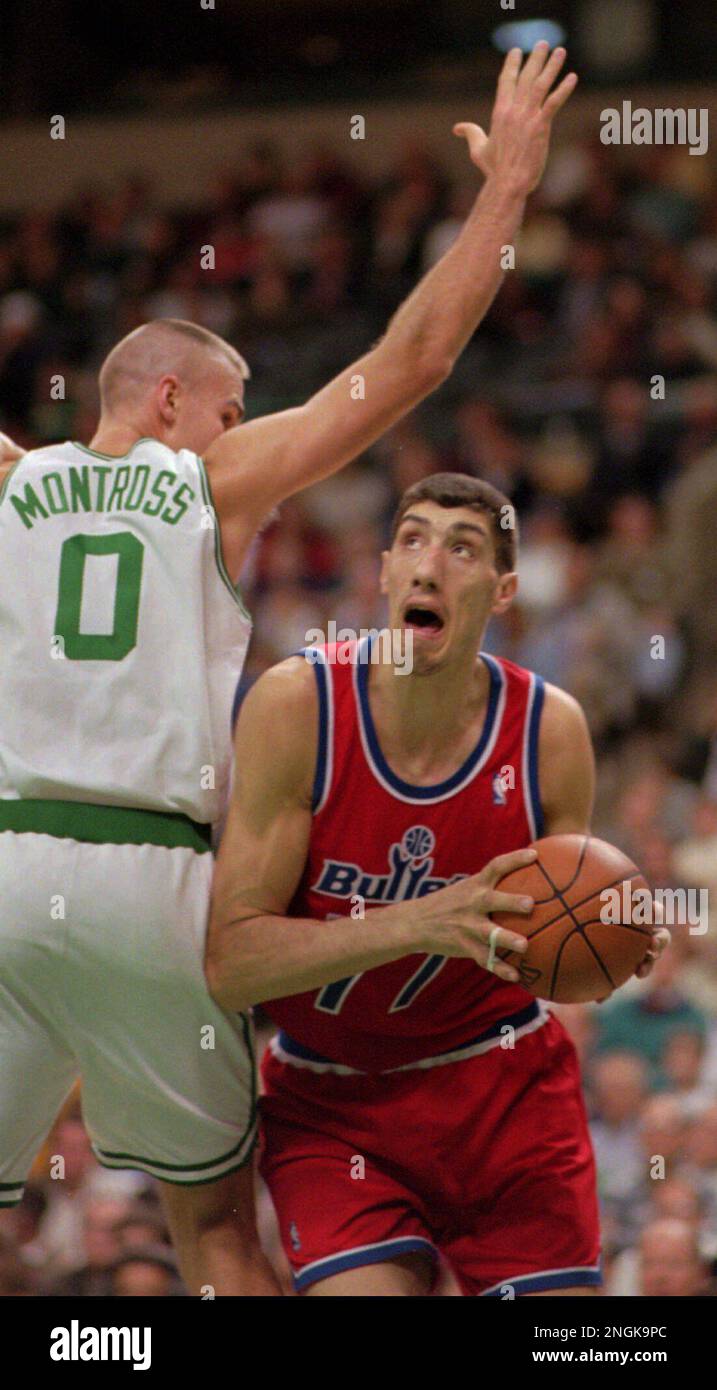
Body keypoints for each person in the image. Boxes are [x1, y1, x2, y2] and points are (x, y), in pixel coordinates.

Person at [0, 43, 580, 1295]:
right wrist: (507, 194)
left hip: (4, 868)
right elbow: (412, 362)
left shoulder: (15, 481)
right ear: (167, 400)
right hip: (143, 875)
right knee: (213, 1235)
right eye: (228, 403)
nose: (239, 424)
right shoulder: (206, 480)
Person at [207, 472, 669, 1296]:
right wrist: (423, 921)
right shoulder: (296, 706)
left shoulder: (548, 728)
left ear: (503, 592)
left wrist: (614, 939)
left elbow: (563, 925)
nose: (429, 566)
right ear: (383, 571)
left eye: (461, 549)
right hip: (333, 1099)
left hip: (504, 1092)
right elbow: (232, 963)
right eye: (413, 540)